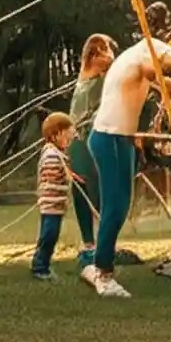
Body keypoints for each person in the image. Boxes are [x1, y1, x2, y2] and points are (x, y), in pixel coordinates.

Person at [81, 37, 171, 298]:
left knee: (121, 206)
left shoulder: (142, 64)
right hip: (107, 138)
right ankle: (103, 273)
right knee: (115, 206)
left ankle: (99, 264)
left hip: (122, 139)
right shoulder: (137, 58)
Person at [68, 34, 115, 269]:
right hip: (77, 140)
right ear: (94, 54)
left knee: (96, 189)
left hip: (90, 140)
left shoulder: (103, 77)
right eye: (106, 50)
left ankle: (101, 242)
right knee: (81, 189)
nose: (110, 55)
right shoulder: (89, 76)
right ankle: (89, 243)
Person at [32, 112, 78, 281]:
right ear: (55, 135)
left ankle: (41, 264)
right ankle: (40, 267)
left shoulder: (56, 152)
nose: (69, 141)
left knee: (49, 234)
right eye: (67, 136)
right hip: (51, 204)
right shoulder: (52, 154)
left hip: (55, 204)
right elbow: (51, 175)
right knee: (49, 235)